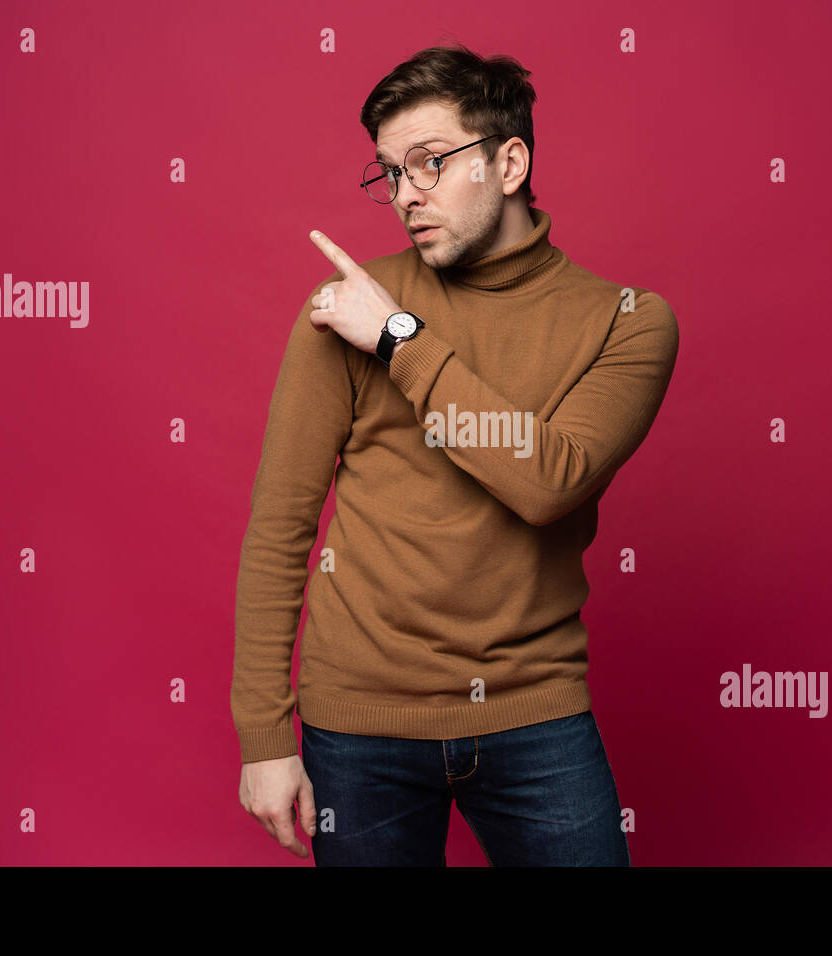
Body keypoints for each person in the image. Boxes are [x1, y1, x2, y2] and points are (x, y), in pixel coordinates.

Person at [232, 42, 679, 866]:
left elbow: (549, 481)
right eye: (391, 172)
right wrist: (263, 734)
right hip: (358, 726)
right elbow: (280, 527)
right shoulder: (345, 311)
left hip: (534, 713)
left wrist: (401, 339)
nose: (406, 195)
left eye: (431, 163)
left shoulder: (627, 320)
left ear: (510, 161)